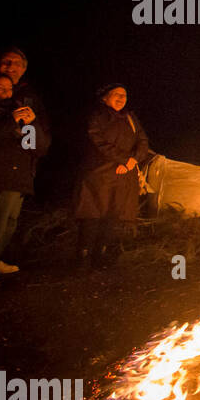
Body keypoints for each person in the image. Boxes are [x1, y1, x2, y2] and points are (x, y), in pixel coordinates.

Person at [73, 84, 149, 269]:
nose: (121, 98)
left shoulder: (130, 117)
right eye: (116, 94)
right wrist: (124, 160)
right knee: (93, 215)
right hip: (99, 173)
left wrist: (132, 161)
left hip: (124, 175)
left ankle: (102, 256)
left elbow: (143, 141)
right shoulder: (96, 116)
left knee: (113, 215)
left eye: (124, 95)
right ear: (104, 98)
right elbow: (97, 140)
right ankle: (83, 258)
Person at [0, 76, 47, 285]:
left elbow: (35, 148)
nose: (6, 92)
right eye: (0, 87)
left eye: (10, 89)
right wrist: (9, 121)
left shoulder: (19, 116)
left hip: (14, 180)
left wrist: (32, 124)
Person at [0, 47, 47, 276]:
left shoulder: (30, 97)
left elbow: (36, 138)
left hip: (19, 169)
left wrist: (31, 141)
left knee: (8, 220)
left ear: (24, 69)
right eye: (6, 62)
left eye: (16, 63)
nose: (10, 67)